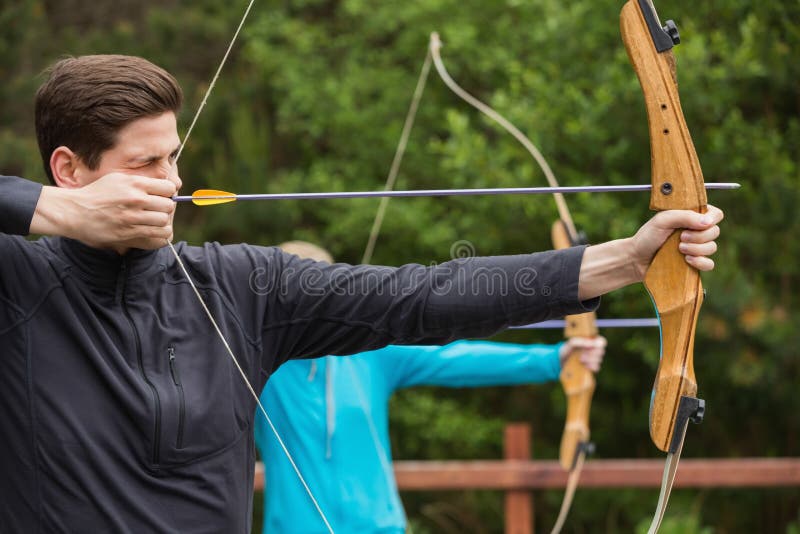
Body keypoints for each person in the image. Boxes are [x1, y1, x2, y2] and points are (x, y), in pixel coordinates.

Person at [0, 54, 722, 532]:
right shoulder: (17, 284)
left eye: (175, 159)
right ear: (68, 170)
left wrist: (624, 261)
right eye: (146, 164)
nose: (173, 184)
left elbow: (424, 295)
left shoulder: (241, 285)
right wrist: (57, 214)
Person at [255, 241, 607, 534]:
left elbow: (454, 358)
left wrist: (554, 359)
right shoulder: (257, 366)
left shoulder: (367, 353)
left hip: (380, 528)